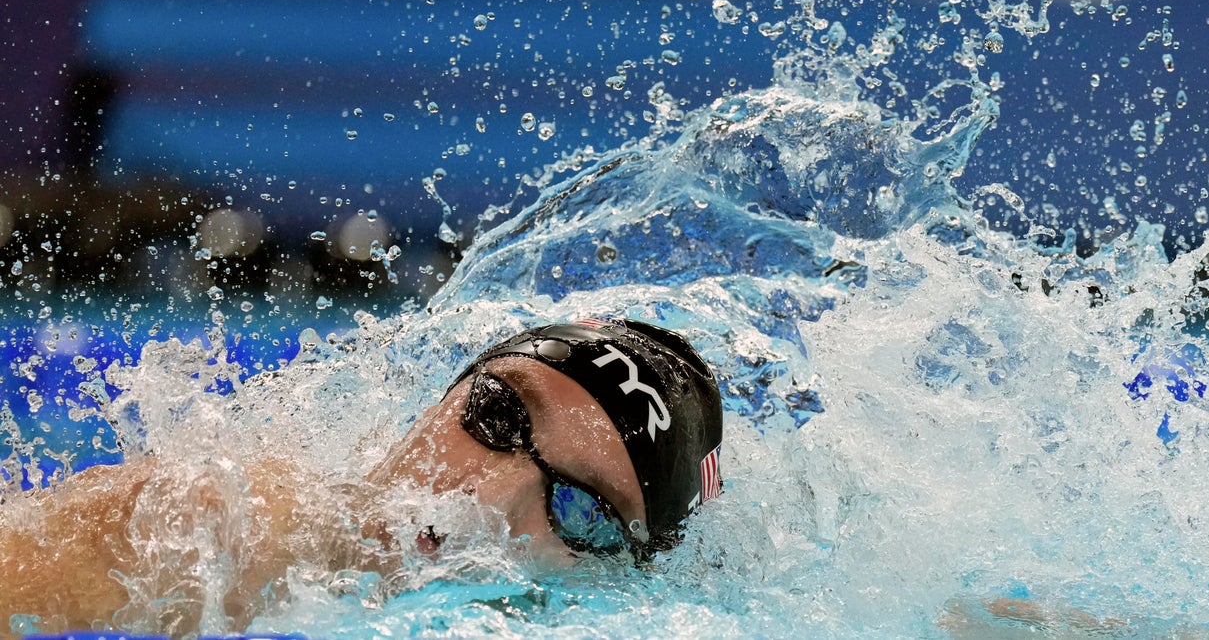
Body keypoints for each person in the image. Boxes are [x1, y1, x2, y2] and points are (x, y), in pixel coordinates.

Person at [0, 319, 725, 638]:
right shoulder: (210, 535)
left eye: (585, 510)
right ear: (441, 400)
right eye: (498, 414)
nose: (489, 495)